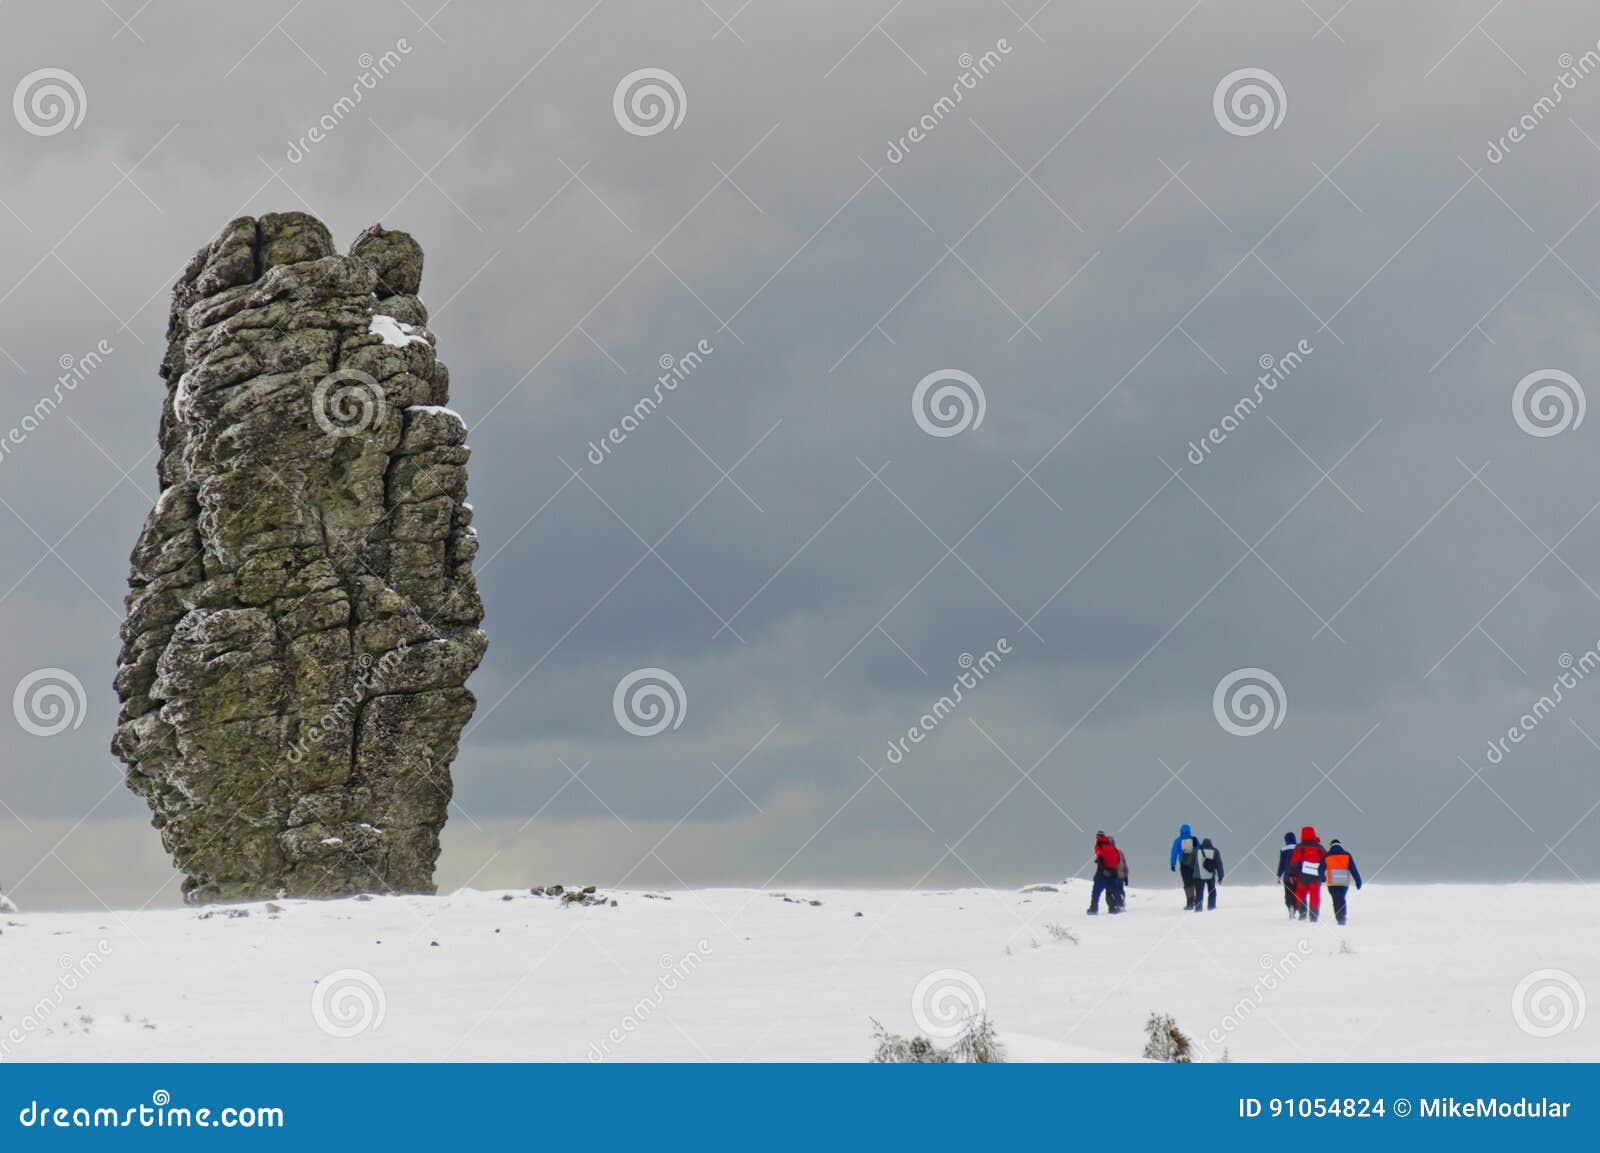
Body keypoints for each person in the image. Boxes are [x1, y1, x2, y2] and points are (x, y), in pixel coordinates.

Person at [1287, 825, 1325, 922]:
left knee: (1300, 893)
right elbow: (1326, 861)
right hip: (1316, 877)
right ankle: (1314, 916)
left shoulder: (1299, 847)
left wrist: (1292, 874)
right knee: (1315, 895)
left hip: (1303, 876)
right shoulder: (1320, 848)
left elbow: (1294, 862)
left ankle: (1303, 912)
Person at [1322, 837, 1363, 925]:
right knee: (1342, 898)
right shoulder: (1347, 855)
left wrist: (1322, 878)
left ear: (1331, 846)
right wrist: (1358, 881)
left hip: (1331, 883)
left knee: (1336, 900)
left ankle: (1339, 917)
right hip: (1343, 882)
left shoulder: (1327, 856)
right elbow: (1353, 869)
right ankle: (1342, 916)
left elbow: (1320, 869)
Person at [1169, 823, 1203, 911]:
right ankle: (1195, 900)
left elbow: (1174, 853)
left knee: (1187, 884)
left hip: (1184, 865)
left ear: (1180, 831)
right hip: (1194, 864)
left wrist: (1173, 864)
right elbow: (1200, 851)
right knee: (1195, 882)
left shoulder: (1178, 840)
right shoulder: (1194, 839)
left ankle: (1189, 903)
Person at [1087, 831, 1122, 915]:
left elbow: (1100, 857)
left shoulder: (1099, 845)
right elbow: (1117, 860)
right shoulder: (1113, 848)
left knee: (1096, 891)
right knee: (1111, 891)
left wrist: (1103, 868)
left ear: (1098, 837)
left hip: (1103, 872)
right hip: (1114, 872)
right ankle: (1113, 908)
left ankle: (1093, 909)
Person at [1276, 831, 1301, 917]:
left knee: (1288, 893)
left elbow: (1281, 864)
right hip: (1298, 875)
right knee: (1297, 893)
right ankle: (1296, 907)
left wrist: (1279, 875)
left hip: (1287, 876)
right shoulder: (1299, 848)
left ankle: (1290, 906)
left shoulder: (1283, 849)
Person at [1198, 837, 1224, 910]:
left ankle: (1198, 908)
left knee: (1199, 892)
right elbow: (1219, 864)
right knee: (1212, 891)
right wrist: (1220, 877)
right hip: (1211, 875)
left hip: (1199, 876)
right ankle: (1211, 907)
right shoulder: (1215, 851)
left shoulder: (1197, 850)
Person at [1111, 836, 1130, 913]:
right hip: (1122, 875)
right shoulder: (1120, 852)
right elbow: (1125, 864)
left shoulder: (1110, 853)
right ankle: (1121, 902)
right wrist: (1126, 875)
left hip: (1115, 875)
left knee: (1116, 890)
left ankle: (1120, 904)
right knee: (1120, 889)